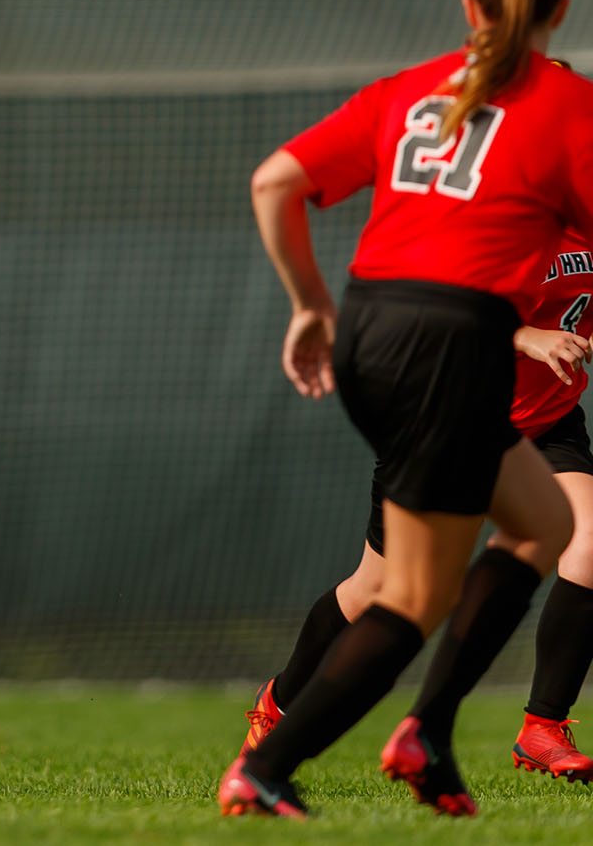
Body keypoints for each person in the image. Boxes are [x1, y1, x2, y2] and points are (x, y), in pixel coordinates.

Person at [219, 0, 593, 818]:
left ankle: (434, 729)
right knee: (409, 596)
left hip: (372, 327)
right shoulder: (567, 104)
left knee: (544, 525)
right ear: (559, 15)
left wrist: (311, 305)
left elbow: (274, 179)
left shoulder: (411, 88)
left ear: (470, 9)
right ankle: (271, 764)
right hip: (453, 346)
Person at [241, 230, 593, 802]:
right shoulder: (503, 204)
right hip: (448, 415)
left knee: (590, 545)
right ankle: (278, 706)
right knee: (380, 591)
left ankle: (543, 727)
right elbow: (432, 307)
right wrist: (527, 337)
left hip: (548, 426)